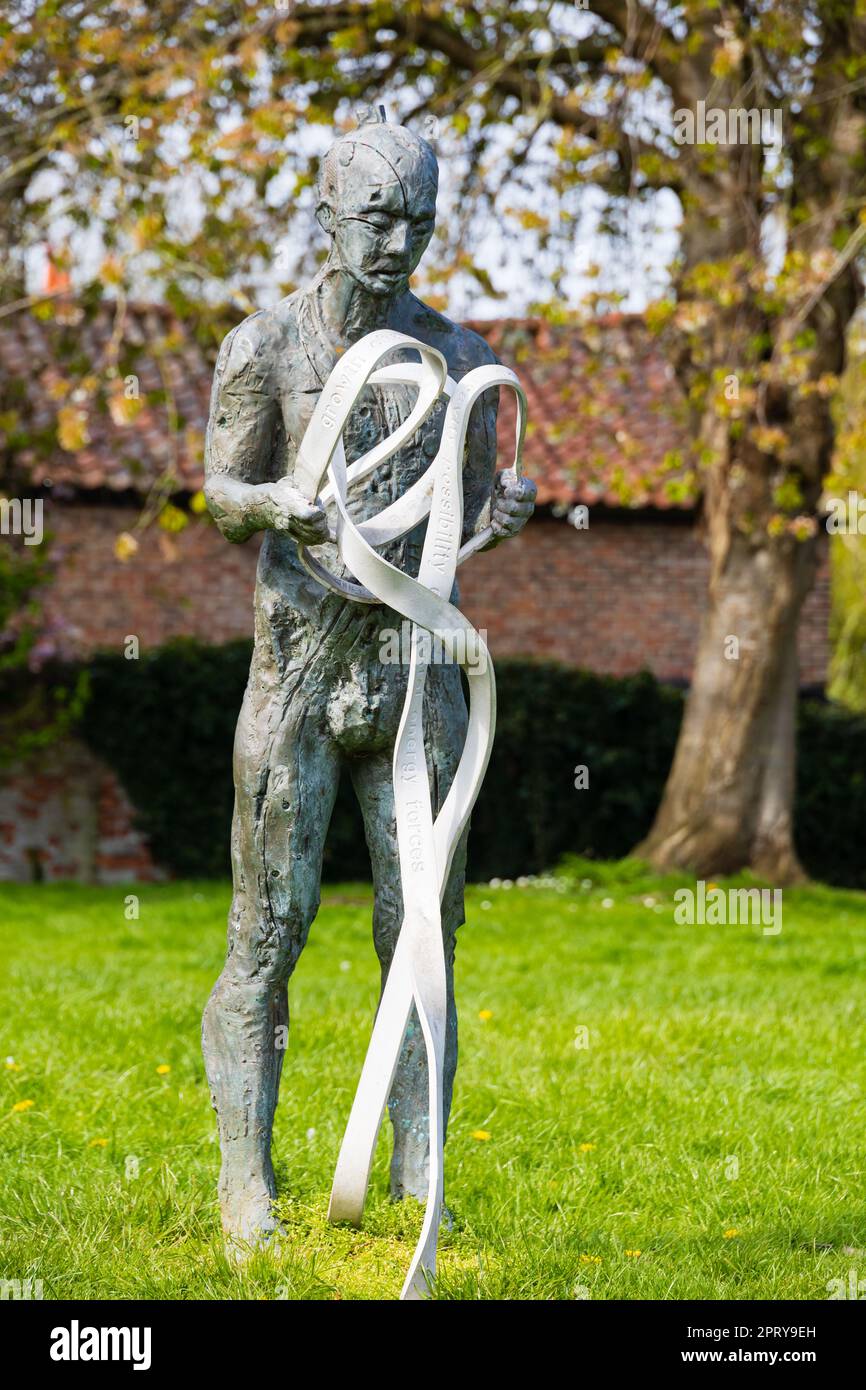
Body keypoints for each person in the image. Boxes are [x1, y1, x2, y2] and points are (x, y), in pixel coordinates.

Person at [201, 107, 536, 1247]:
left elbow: (461, 519)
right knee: (267, 929)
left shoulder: (454, 353)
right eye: (376, 218)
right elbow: (217, 490)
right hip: (294, 673)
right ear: (327, 216)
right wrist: (268, 503)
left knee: (424, 930)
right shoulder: (264, 347)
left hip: (414, 681)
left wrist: (504, 514)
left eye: (419, 222)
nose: (397, 242)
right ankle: (248, 1187)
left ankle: (415, 1171)